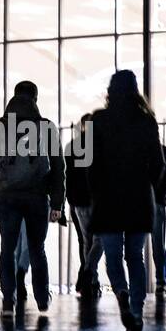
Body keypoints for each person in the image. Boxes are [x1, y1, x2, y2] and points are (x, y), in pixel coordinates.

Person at [0, 81, 65, 315]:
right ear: (35, 99)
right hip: (37, 197)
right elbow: (59, 168)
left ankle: (9, 299)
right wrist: (57, 202)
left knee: (7, 249)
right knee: (38, 249)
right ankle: (42, 300)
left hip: (7, 197)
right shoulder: (46, 127)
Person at [88, 71, 164, 331]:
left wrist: (96, 190)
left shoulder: (97, 121)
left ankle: (121, 291)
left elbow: (92, 164)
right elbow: (158, 162)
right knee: (135, 257)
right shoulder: (147, 122)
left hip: (108, 199)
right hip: (139, 198)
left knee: (112, 256)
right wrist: (147, 185)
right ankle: (137, 310)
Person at [65, 114, 102, 297]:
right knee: (98, 240)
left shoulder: (71, 147)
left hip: (78, 201)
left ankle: (89, 279)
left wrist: (68, 200)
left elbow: (67, 178)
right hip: (95, 198)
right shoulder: (99, 145)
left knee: (86, 240)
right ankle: (89, 275)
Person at [151, 145, 166, 298]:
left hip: (135, 202)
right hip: (157, 202)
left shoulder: (133, 147)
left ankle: (131, 283)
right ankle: (161, 281)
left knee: (133, 247)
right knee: (159, 245)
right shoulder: (163, 151)